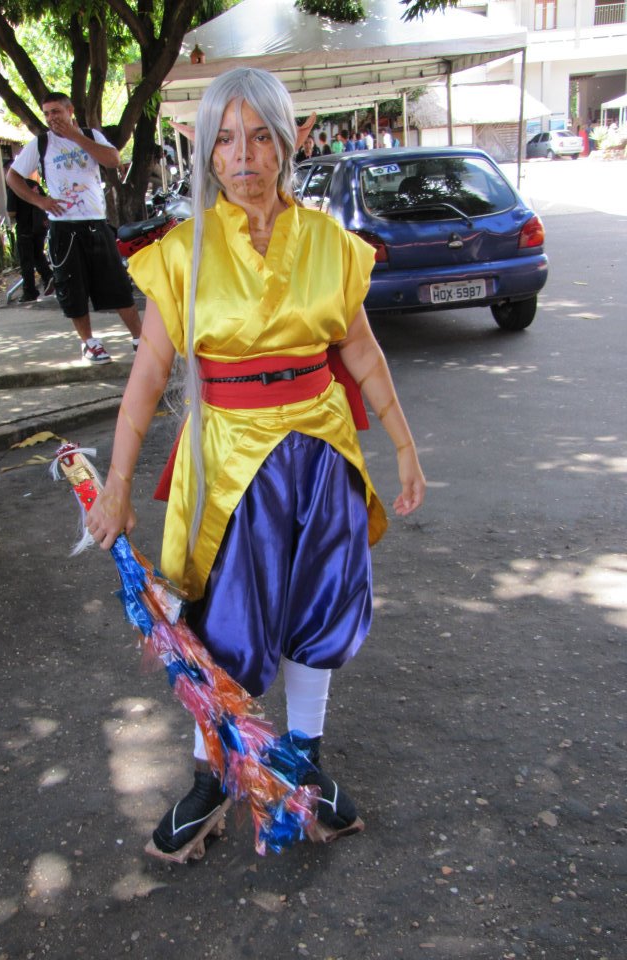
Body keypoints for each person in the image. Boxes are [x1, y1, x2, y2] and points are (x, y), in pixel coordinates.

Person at [86, 67, 426, 862]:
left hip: (322, 457)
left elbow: (363, 354)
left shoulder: (330, 244)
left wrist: (405, 449)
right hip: (230, 465)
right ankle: (214, 778)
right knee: (223, 632)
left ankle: (301, 761)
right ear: (207, 152)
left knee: (319, 615)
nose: (245, 156)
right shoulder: (181, 253)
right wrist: (118, 487)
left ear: (287, 140)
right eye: (227, 139)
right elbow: (144, 384)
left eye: (261, 136)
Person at [6, 92, 141, 363]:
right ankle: (89, 343)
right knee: (72, 287)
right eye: (46, 114)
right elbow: (13, 176)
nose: (51, 118)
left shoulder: (90, 135)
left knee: (116, 284)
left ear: (69, 111)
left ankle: (140, 338)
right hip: (63, 227)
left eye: (56, 111)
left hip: (95, 223)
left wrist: (76, 136)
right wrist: (39, 201)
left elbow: (113, 160)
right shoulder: (41, 143)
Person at [5, 165, 54, 303]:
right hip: (39, 227)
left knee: (26, 261)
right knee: (38, 254)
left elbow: (11, 212)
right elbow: (45, 201)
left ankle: (30, 291)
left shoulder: (14, 188)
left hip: (25, 228)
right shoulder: (35, 185)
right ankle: (47, 276)